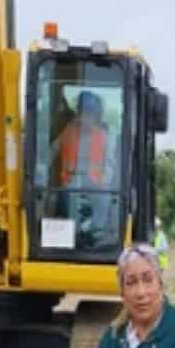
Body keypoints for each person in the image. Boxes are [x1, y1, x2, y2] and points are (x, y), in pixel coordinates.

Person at [57, 90, 116, 241]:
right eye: (83, 112)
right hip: (71, 182)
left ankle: (95, 233)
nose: (86, 118)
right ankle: (72, 233)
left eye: (90, 113)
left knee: (105, 199)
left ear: (97, 115)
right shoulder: (68, 132)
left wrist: (105, 181)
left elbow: (110, 163)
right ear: (78, 113)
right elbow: (51, 152)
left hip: (95, 184)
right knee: (65, 197)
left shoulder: (105, 136)